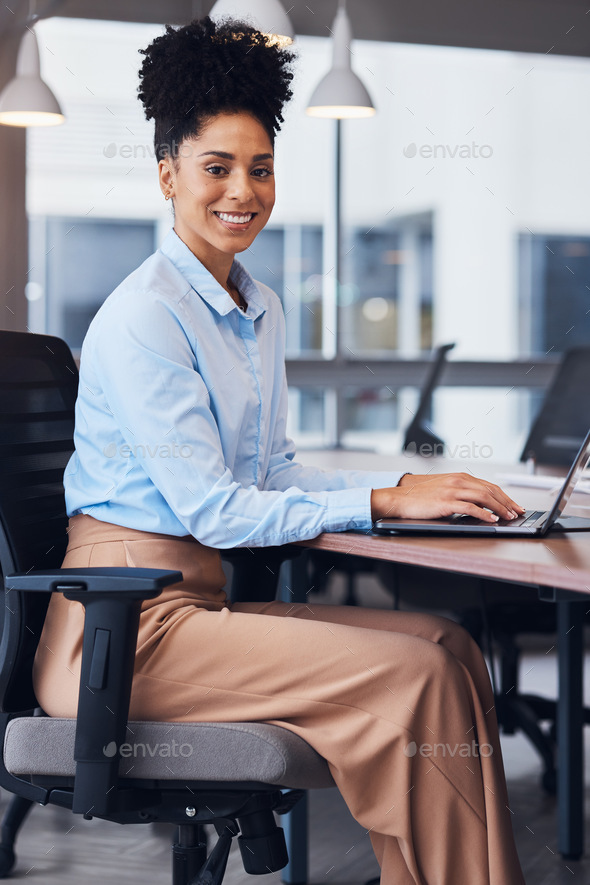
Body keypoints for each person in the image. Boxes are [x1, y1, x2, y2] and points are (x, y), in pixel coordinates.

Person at [33, 17, 526, 885]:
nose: (242, 191)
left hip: (196, 612)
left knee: (446, 646)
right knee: (415, 679)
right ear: (167, 175)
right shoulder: (148, 313)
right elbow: (215, 510)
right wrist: (382, 501)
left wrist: (409, 481)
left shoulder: (256, 306)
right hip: (122, 637)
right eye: (216, 168)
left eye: (259, 168)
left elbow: (272, 477)